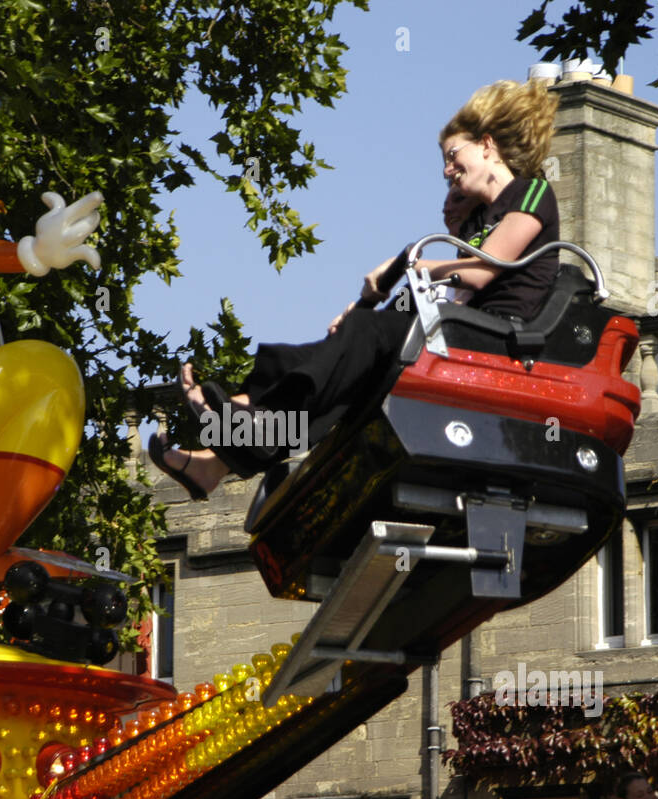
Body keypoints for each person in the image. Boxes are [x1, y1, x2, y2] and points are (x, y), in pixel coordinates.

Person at [150, 80, 561, 499]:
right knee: (321, 357)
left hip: (491, 337)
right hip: (453, 327)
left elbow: (481, 272)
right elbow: (420, 297)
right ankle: (216, 457)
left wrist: (407, 265)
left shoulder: (531, 193)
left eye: (453, 155)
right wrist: (360, 309)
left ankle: (252, 420)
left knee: (366, 335)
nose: (446, 170)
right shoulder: (476, 222)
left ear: (487, 145)